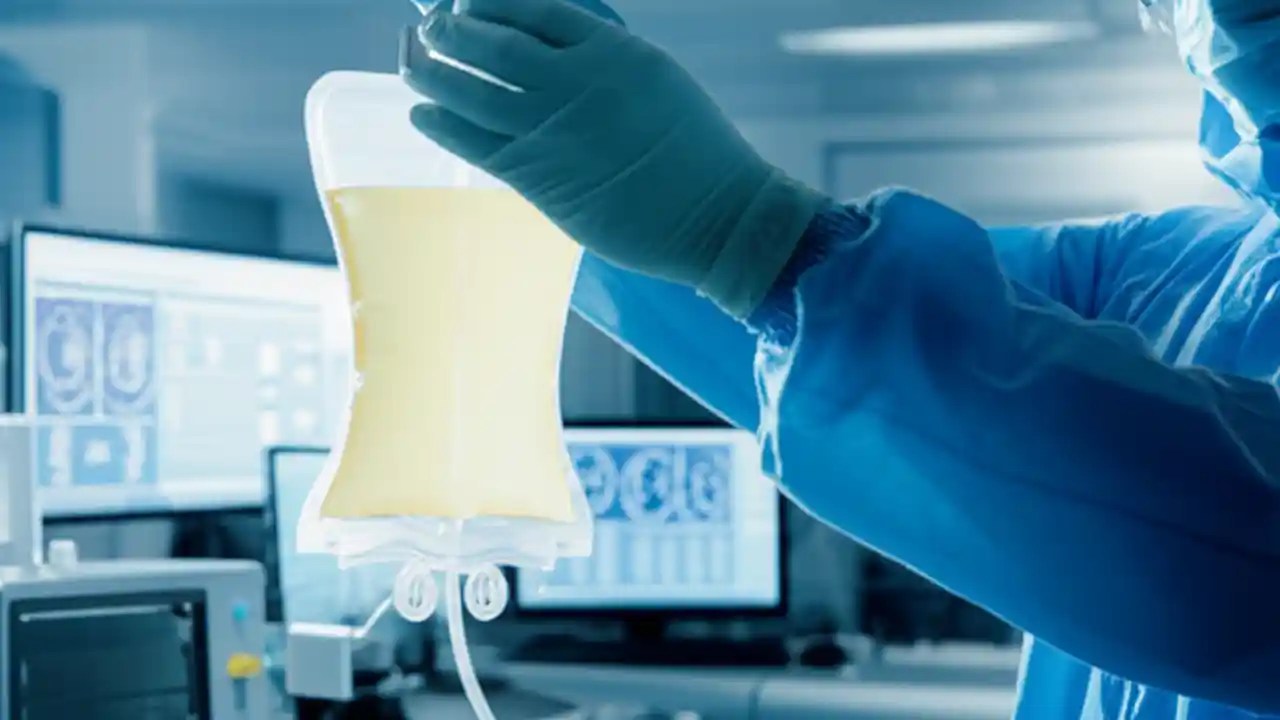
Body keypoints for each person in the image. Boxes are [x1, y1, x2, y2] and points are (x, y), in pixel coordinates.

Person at [401, 0, 1280, 717]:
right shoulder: (1177, 269)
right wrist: (555, 90)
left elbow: (1231, 557)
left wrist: (743, 229)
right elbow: (821, 331)